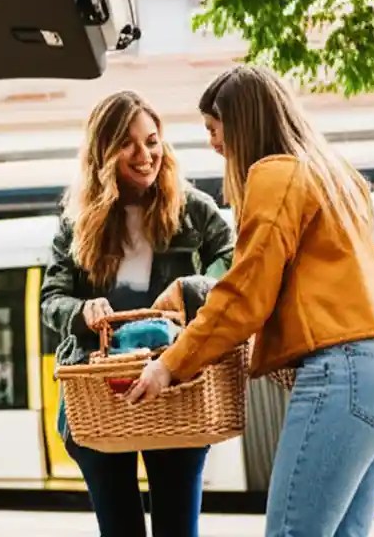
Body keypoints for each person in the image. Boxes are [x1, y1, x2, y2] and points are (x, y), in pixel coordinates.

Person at [127, 65, 374, 537]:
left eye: (214, 130)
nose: (213, 144)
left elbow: (246, 293)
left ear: (241, 124)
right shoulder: (337, 175)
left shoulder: (274, 174)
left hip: (342, 375)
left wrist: (169, 365)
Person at [42, 90, 235, 537]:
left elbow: (234, 263)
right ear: (103, 151)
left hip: (176, 388)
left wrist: (192, 289)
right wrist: (81, 311)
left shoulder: (194, 211)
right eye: (128, 143)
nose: (145, 154)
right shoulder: (77, 223)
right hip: (100, 393)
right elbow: (51, 298)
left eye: (152, 140)